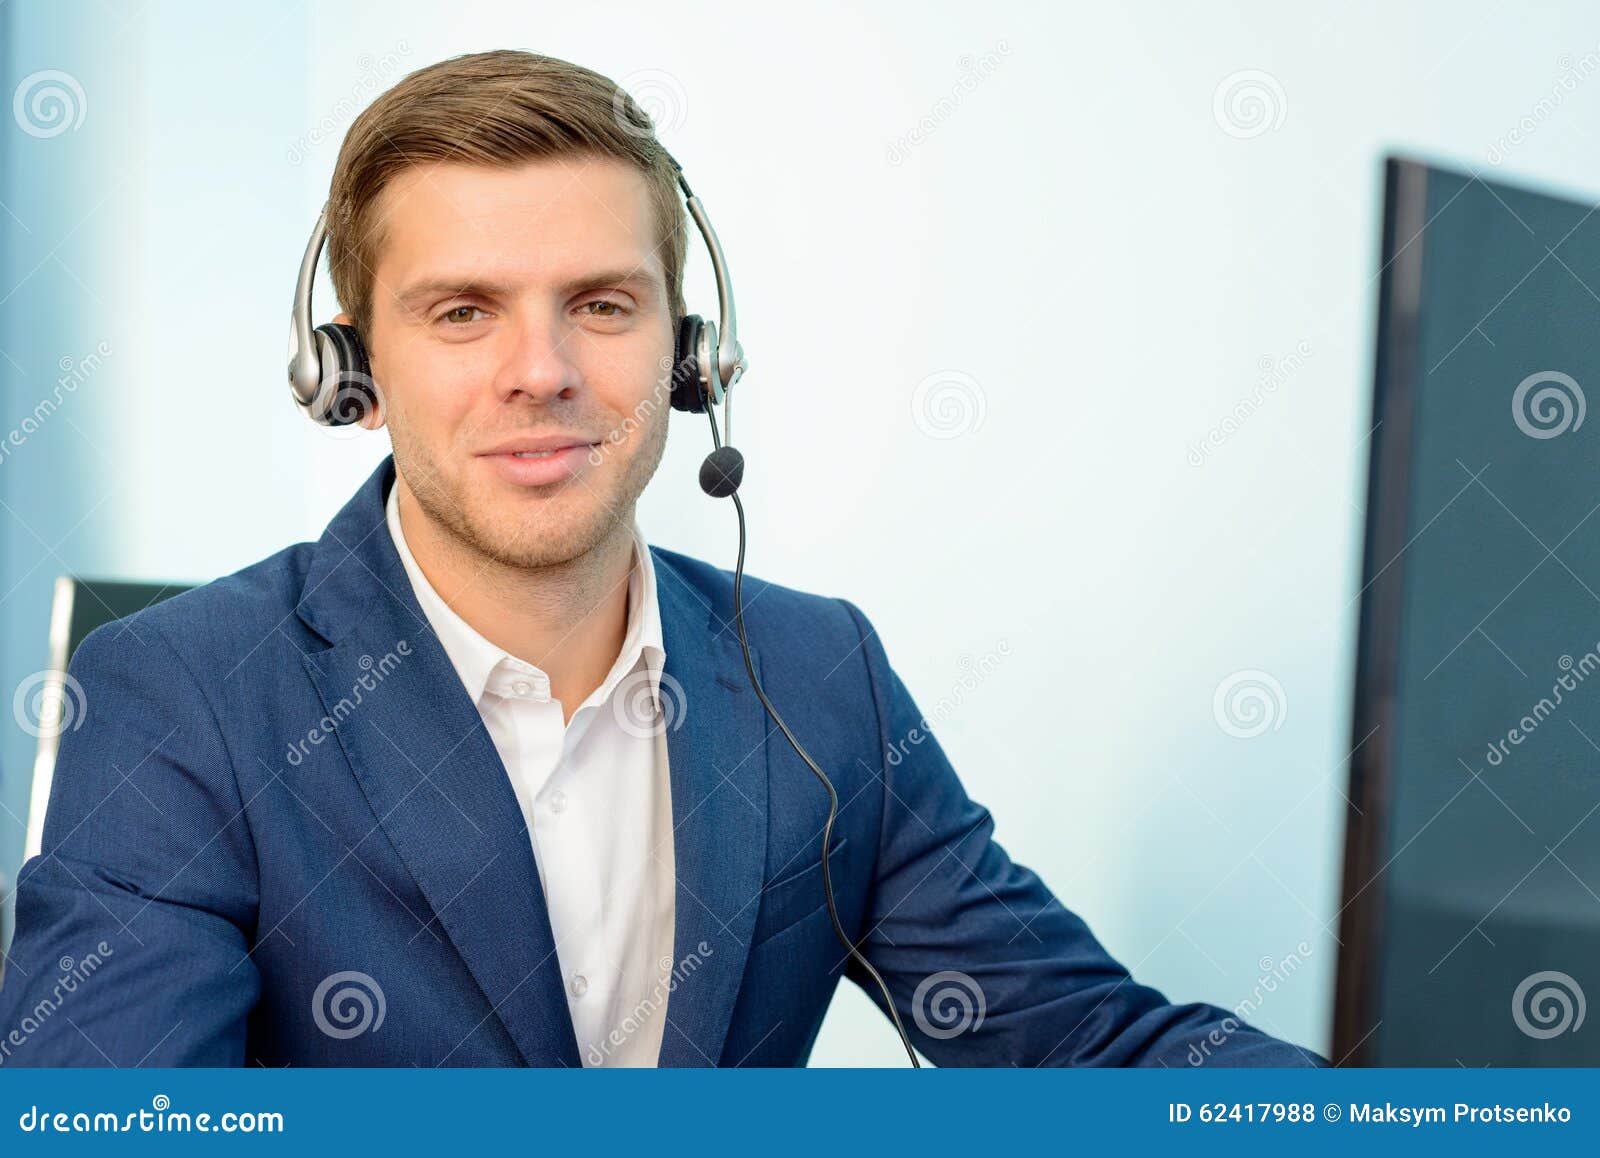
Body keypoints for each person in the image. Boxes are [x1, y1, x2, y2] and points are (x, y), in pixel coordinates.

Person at [0, 50, 1324, 1068]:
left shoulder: (818, 676)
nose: (541, 371)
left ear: (693, 357)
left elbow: (1086, 1048)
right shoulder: (186, 696)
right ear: (350, 371)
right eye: (462, 312)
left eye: (601, 304)